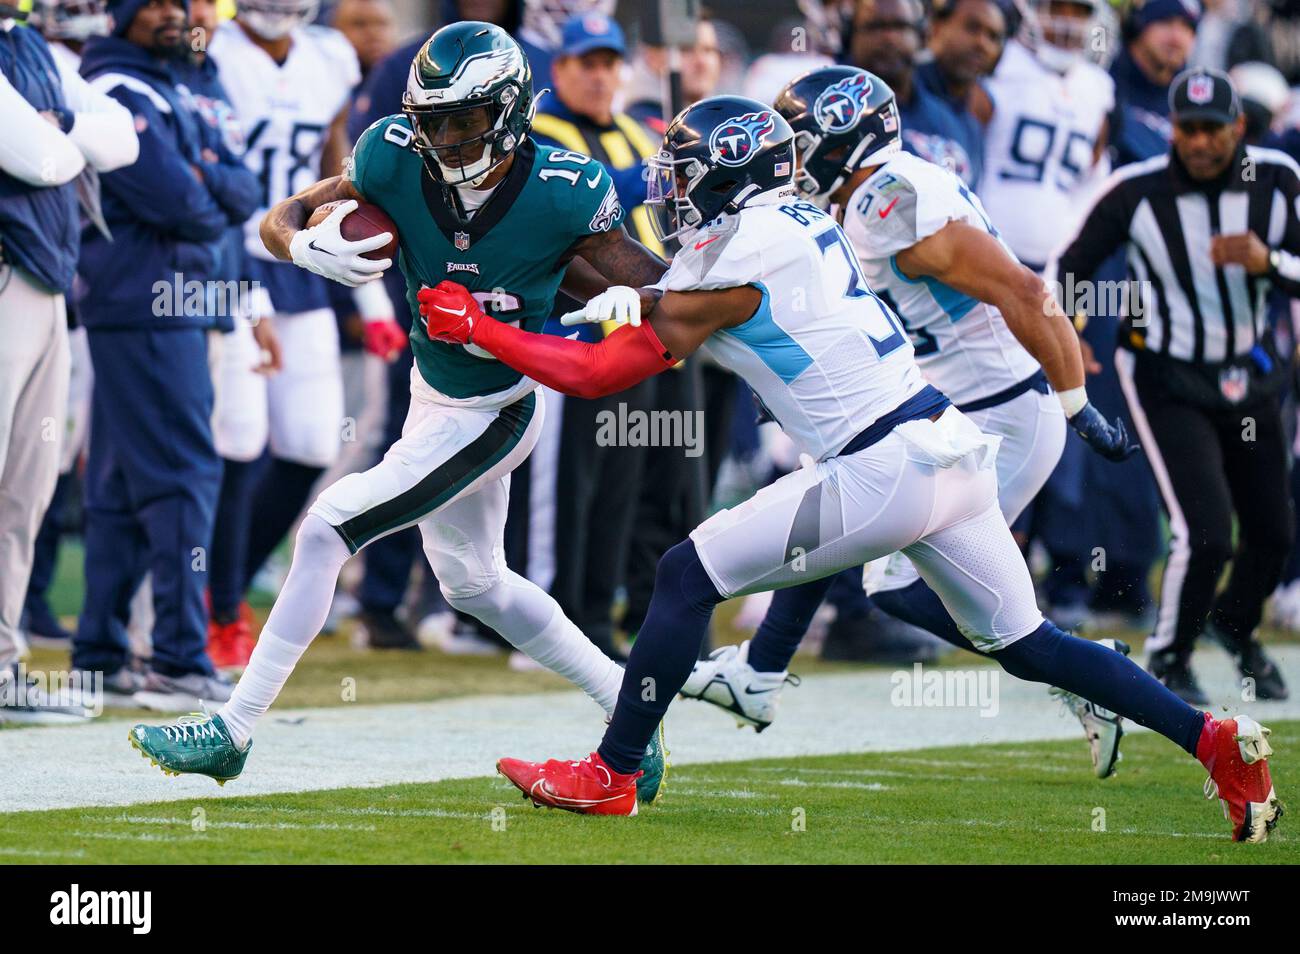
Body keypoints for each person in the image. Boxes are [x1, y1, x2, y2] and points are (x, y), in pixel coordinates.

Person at [420, 95, 1281, 841]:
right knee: (1030, 646)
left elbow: (600, 371)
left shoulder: (739, 251)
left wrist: (481, 329)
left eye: (685, 175)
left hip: (884, 466)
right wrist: (613, 296)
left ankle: (613, 772)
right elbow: (679, 303)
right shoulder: (790, 221)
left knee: (685, 577)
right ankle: (1213, 742)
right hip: (946, 449)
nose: (672, 194)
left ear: (731, 174)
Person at [127, 21, 670, 802]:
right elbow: (281, 217)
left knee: (325, 528)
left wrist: (639, 299)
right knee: (475, 586)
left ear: (510, 113)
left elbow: (661, 289)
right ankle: (632, 713)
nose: (444, 139)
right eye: (432, 120)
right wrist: (301, 248)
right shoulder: (390, 152)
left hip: (495, 411)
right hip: (432, 394)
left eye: (463, 121)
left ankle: (232, 730)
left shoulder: (565, 187)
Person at [678, 66, 1136, 780]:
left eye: (805, 143)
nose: (795, 161)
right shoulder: (869, 195)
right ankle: (760, 672)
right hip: (956, 402)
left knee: (904, 588)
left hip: (1001, 412)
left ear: (844, 140)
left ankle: (1086, 672)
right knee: (826, 479)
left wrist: (1075, 397)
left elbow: (1023, 286)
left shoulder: (883, 201)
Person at [1051, 68, 1295, 705]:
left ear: (1238, 126)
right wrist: (1071, 328)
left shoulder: (1275, 179)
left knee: (1273, 532)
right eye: (1188, 129)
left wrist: (1268, 260)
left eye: (1214, 129)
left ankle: (1235, 625)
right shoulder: (1137, 190)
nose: (1201, 143)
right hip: (1165, 374)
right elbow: (1071, 265)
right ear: (1172, 130)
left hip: (1251, 371)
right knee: (1205, 529)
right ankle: (1169, 656)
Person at [203, 0, 405, 666]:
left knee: (311, 442)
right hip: (230, 258)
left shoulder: (328, 57)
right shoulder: (215, 50)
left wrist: (372, 297)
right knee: (237, 438)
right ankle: (213, 604)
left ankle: (221, 590)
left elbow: (334, 171)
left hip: (301, 259)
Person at [74, 0, 237, 710]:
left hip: (169, 296)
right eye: (160, 1)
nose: (178, 12)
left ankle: (101, 652)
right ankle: (177, 655)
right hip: (147, 297)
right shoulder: (115, 85)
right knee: (182, 472)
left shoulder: (182, 78)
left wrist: (206, 181)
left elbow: (241, 185)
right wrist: (207, 184)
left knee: (117, 485)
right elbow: (187, 202)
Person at [0, 0, 136, 722]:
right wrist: (72, 140)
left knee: (25, 490)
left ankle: (1, 664)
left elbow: (126, 137)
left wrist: (70, 133)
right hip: (8, 272)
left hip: (41, 278)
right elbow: (43, 157)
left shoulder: (25, 45)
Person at [848, 0, 980, 186]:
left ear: (922, 36)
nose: (888, 38)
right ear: (851, 36)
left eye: (900, 27)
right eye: (875, 27)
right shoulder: (831, 116)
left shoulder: (955, 123)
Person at [917, 0, 1007, 188]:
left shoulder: (973, 128)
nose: (982, 44)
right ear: (938, 27)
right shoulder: (901, 91)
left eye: (993, 37)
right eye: (972, 28)